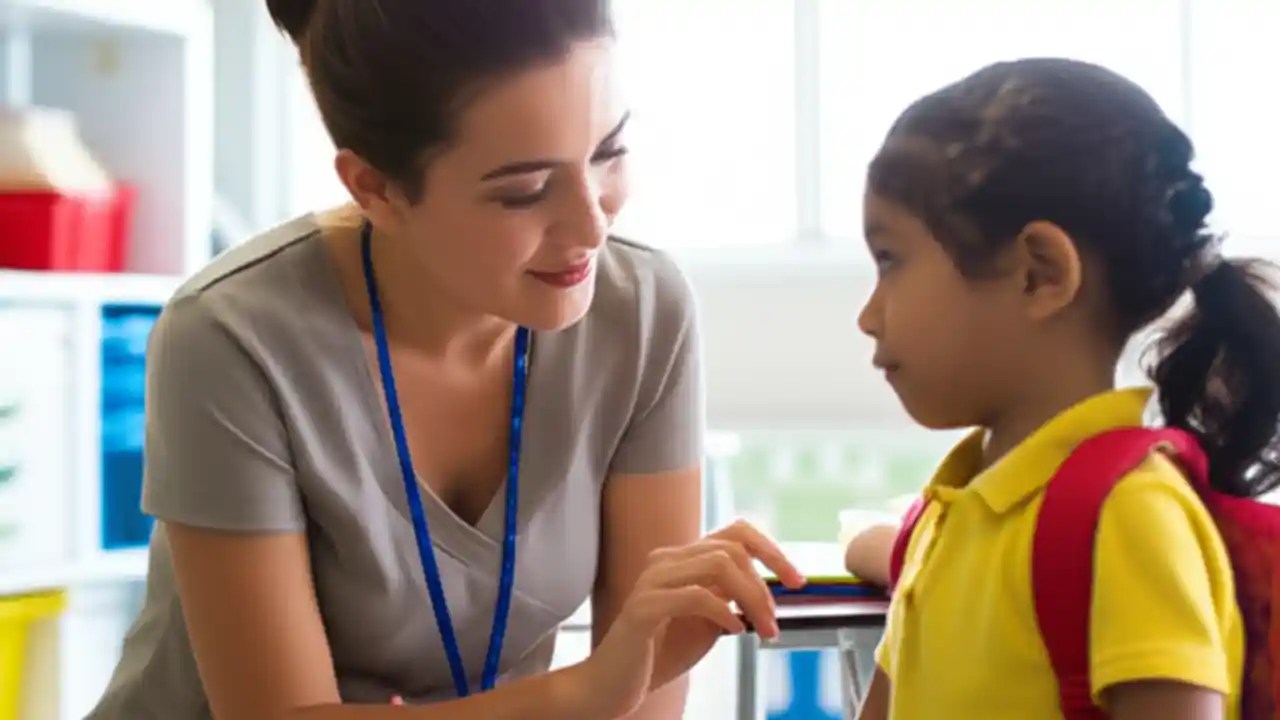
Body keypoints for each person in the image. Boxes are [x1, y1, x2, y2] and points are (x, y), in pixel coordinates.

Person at [86, 1, 807, 718]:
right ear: (375, 189)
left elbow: (646, 694)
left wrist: (623, 677)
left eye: (609, 153)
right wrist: (585, 692)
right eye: (524, 192)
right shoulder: (230, 337)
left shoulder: (644, 313)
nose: (593, 223)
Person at [850, 58, 1280, 720]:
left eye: (890, 261)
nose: (868, 315)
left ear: (1038, 274)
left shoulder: (1129, 518)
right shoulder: (948, 519)